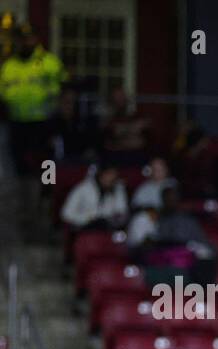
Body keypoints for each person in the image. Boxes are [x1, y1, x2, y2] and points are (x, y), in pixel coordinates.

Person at [1, 24, 65, 175]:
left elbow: (65, 88)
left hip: (44, 121)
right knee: (18, 163)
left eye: (28, 38)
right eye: (21, 39)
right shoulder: (9, 66)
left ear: (36, 39)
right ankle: (24, 195)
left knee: (47, 161)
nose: (25, 42)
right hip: (17, 121)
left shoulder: (49, 62)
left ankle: (47, 192)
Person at [60, 166, 129, 233]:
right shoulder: (83, 188)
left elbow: (122, 212)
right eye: (108, 174)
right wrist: (88, 218)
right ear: (101, 174)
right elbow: (66, 214)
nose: (111, 179)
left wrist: (112, 218)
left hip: (107, 229)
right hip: (83, 228)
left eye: (114, 177)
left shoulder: (118, 188)